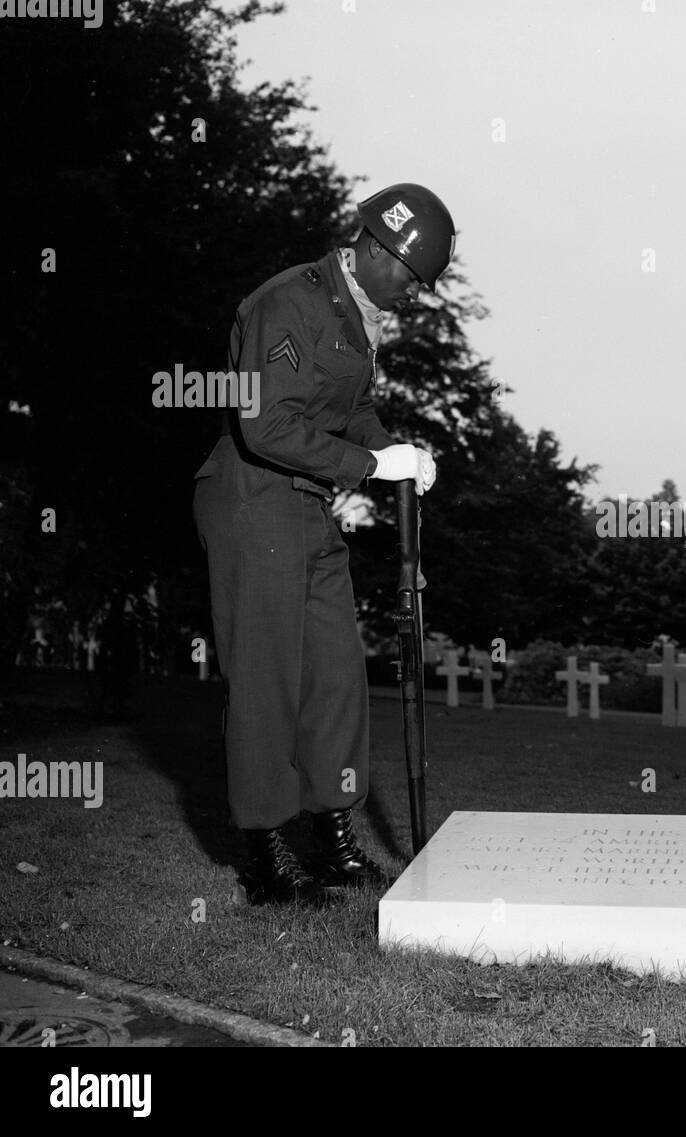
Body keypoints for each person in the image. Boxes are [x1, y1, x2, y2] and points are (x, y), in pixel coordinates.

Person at [193, 183, 454, 905]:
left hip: (307, 508)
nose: (414, 291)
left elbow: (354, 407)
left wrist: (391, 445)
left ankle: (332, 836)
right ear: (374, 247)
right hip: (251, 501)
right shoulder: (288, 303)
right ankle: (265, 851)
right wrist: (372, 468)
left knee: (338, 674)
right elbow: (264, 426)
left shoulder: (353, 313)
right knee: (267, 679)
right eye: (410, 274)